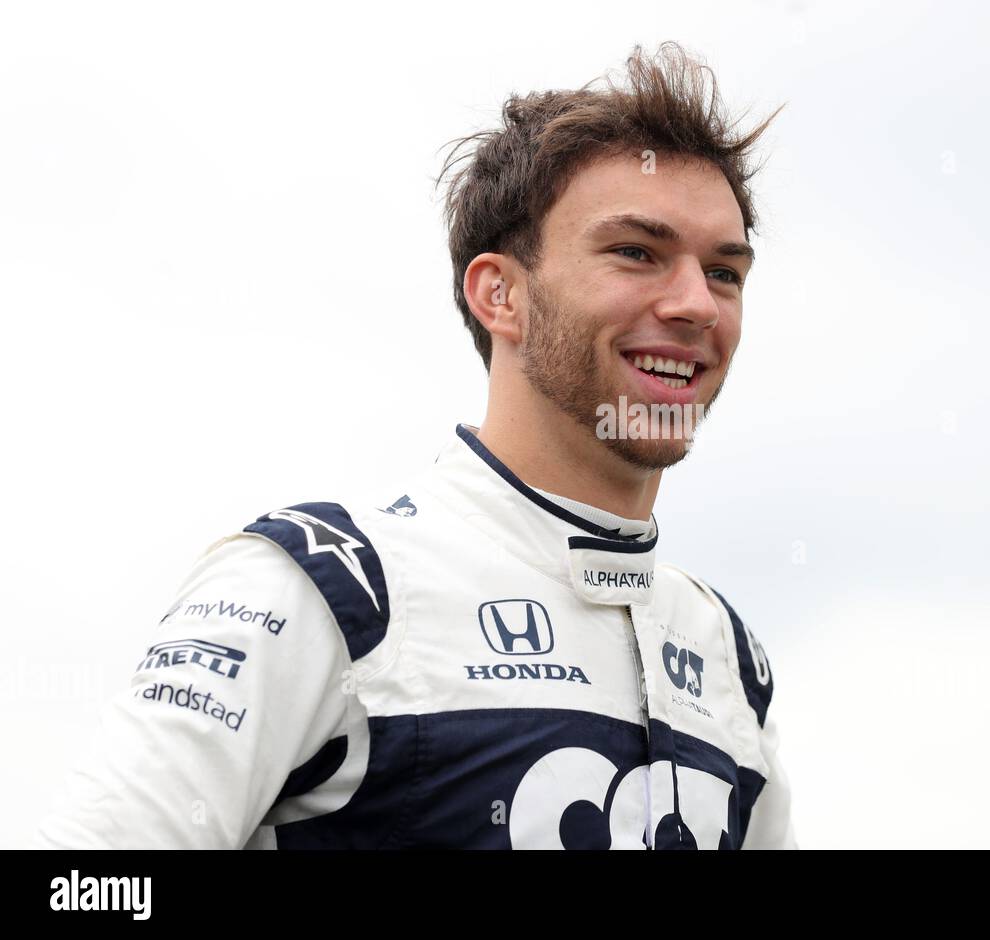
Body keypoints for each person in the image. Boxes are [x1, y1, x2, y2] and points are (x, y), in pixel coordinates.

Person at [35, 41, 795, 850]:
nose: (695, 305)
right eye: (636, 252)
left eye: (724, 272)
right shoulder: (328, 587)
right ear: (499, 294)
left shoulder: (727, 653)